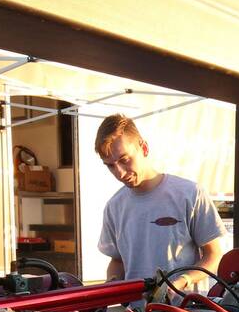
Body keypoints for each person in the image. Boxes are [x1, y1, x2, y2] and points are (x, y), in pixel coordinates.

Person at [96, 114, 225, 294]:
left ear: (144, 148)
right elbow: (117, 261)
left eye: (124, 160)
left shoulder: (190, 194)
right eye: (110, 165)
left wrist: (182, 281)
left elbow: (214, 255)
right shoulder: (114, 207)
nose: (120, 173)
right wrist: (112, 285)